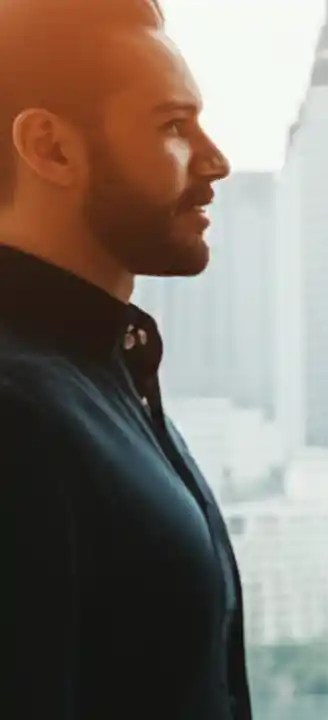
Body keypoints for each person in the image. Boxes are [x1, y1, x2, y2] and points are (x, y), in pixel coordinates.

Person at [0, 1, 252, 718]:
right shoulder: (17, 411)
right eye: (174, 125)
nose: (216, 160)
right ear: (50, 147)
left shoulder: (110, 375)